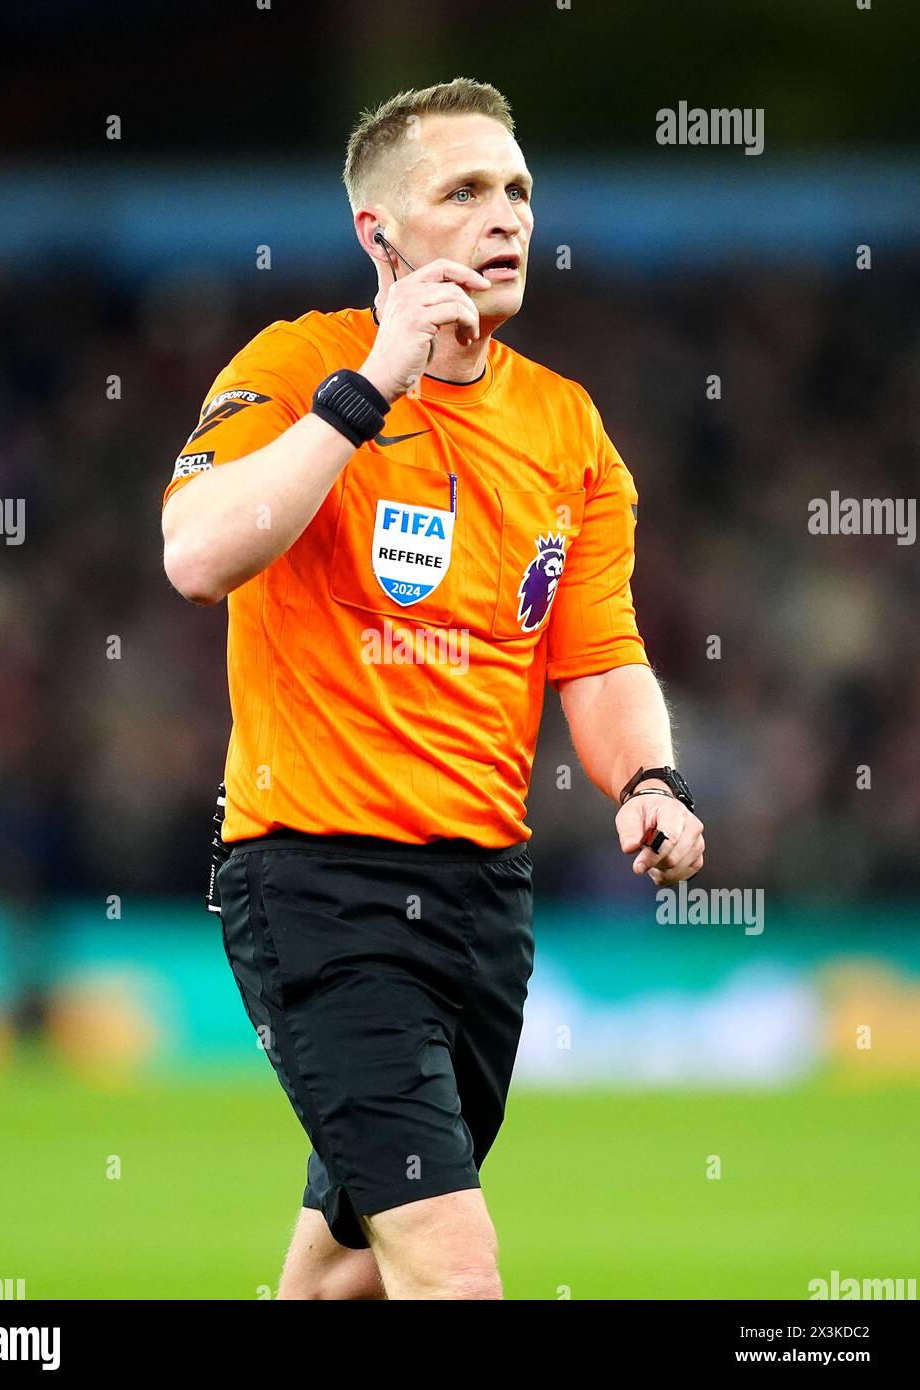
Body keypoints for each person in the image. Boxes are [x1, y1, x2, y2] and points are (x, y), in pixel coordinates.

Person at [160, 77, 705, 1301]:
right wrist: (371, 390)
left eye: (517, 189)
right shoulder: (300, 365)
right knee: (453, 1270)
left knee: (342, 1273)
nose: (505, 215)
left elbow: (601, 651)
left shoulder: (567, 428)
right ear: (381, 236)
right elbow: (197, 556)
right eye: (463, 191)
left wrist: (647, 778)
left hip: (482, 900)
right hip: (319, 885)